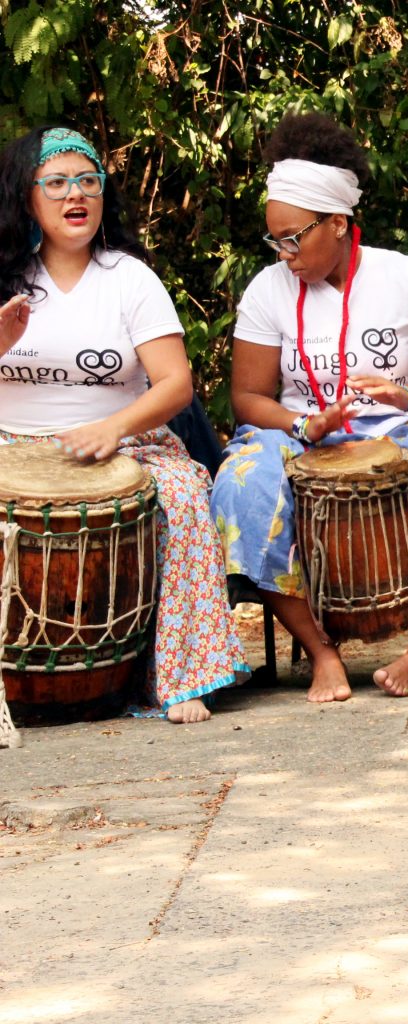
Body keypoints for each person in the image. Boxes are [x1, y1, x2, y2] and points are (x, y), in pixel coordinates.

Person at [211, 113, 408, 703]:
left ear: (340, 225)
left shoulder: (406, 277)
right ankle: (321, 652)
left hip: (400, 428)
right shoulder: (268, 290)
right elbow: (248, 398)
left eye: (295, 237)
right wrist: (302, 422)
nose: (283, 252)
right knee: (241, 483)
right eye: (275, 238)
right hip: (297, 432)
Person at [0, 126, 246, 724]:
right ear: (27, 198)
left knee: (186, 495)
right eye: (55, 183)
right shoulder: (5, 278)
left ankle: (181, 677)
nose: (73, 194)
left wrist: (114, 428)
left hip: (129, 440)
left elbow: (174, 384)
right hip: (11, 443)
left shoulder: (128, 278)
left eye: (87, 181)